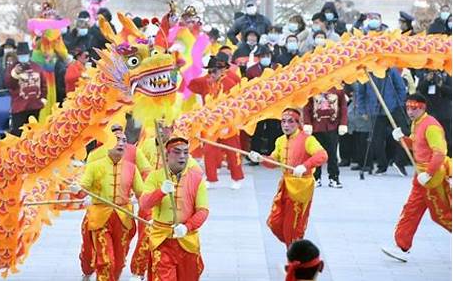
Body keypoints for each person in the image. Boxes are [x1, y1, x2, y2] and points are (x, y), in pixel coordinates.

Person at [382, 93, 451, 262]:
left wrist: (429, 174)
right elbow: (415, 145)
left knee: (441, 214)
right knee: (411, 209)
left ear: (422, 107)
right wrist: (401, 139)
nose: (410, 112)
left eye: (414, 108)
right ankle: (402, 246)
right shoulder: (416, 123)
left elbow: (440, 152)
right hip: (420, 176)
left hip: (433, 177)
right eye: (408, 108)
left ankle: (402, 246)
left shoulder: (432, 126)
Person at [70, 129, 144, 281]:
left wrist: (156, 203)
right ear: (108, 143)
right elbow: (83, 189)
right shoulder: (95, 164)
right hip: (100, 218)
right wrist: (78, 190)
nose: (122, 144)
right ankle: (90, 270)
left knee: (118, 263)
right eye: (117, 140)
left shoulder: (131, 168)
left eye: (124, 140)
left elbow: (142, 194)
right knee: (105, 260)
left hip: (124, 218)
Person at [248, 108, 328, 248]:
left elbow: (322, 155)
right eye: (283, 121)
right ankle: (293, 253)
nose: (286, 125)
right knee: (277, 222)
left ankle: (294, 259)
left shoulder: (308, 139)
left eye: (290, 122)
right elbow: (274, 161)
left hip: (300, 188)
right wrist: (260, 158)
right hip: (285, 186)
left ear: (298, 123)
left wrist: (305, 166)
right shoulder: (280, 141)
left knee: (293, 226)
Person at [140, 136, 209, 281]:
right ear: (167, 155)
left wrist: (187, 227)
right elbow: (144, 204)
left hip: (187, 240)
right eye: (177, 152)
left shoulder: (196, 178)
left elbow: (203, 211)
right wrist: (161, 192)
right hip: (162, 239)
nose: (182, 156)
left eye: (185, 152)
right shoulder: (155, 177)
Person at [188, 53, 245, 189]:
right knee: (208, 150)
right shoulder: (204, 81)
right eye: (209, 71)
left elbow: (236, 105)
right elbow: (189, 83)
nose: (211, 74)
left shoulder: (230, 83)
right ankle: (211, 178)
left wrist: (229, 123)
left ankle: (237, 178)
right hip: (209, 124)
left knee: (232, 151)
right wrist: (189, 68)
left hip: (228, 123)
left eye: (214, 71)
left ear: (222, 71)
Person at [355, 68, 408, 176]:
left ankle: (399, 162)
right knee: (376, 139)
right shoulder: (365, 72)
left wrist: (400, 104)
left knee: (403, 134)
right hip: (375, 110)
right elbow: (361, 93)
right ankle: (381, 165)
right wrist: (362, 110)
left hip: (393, 108)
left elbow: (401, 88)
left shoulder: (391, 70)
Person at [303, 86, 348, 188]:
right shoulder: (313, 88)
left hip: (333, 126)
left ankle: (334, 177)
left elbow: (343, 108)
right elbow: (307, 107)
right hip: (316, 127)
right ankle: (315, 177)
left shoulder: (338, 89)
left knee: (332, 154)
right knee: (316, 154)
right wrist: (307, 123)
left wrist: (343, 123)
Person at [4, 42, 47, 136]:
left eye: (25, 54)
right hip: (19, 107)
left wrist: (43, 99)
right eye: (21, 55)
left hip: (35, 106)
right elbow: (9, 84)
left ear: (29, 54)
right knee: (18, 135)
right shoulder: (12, 68)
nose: (23, 56)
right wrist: (15, 73)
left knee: (33, 134)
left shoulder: (37, 67)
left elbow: (44, 84)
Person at [416, 70, 452, 157]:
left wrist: (441, 86)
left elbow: (451, 93)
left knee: (446, 137)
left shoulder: (447, 74)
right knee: (429, 137)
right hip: (429, 112)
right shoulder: (425, 74)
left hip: (444, 113)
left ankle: (448, 158)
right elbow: (419, 89)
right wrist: (427, 80)